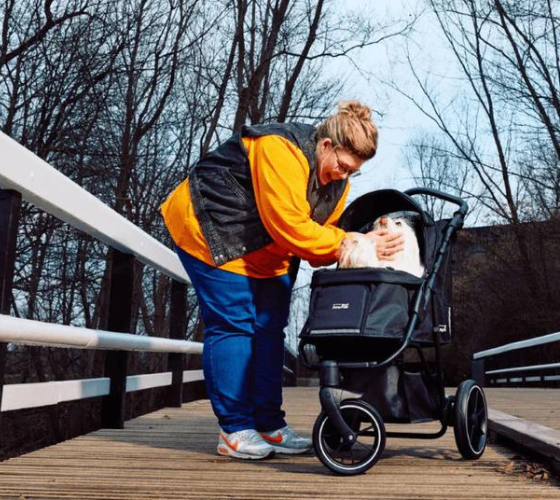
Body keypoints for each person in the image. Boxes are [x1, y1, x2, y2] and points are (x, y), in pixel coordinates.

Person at [160, 101, 403, 460]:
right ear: (325, 146)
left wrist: (364, 242)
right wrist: (355, 242)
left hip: (268, 253)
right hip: (211, 230)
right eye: (341, 165)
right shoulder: (280, 148)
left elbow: (321, 244)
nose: (343, 175)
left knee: (270, 329)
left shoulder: (338, 185)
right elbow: (289, 225)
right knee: (234, 325)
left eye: (353, 171)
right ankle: (235, 429)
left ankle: (269, 425)